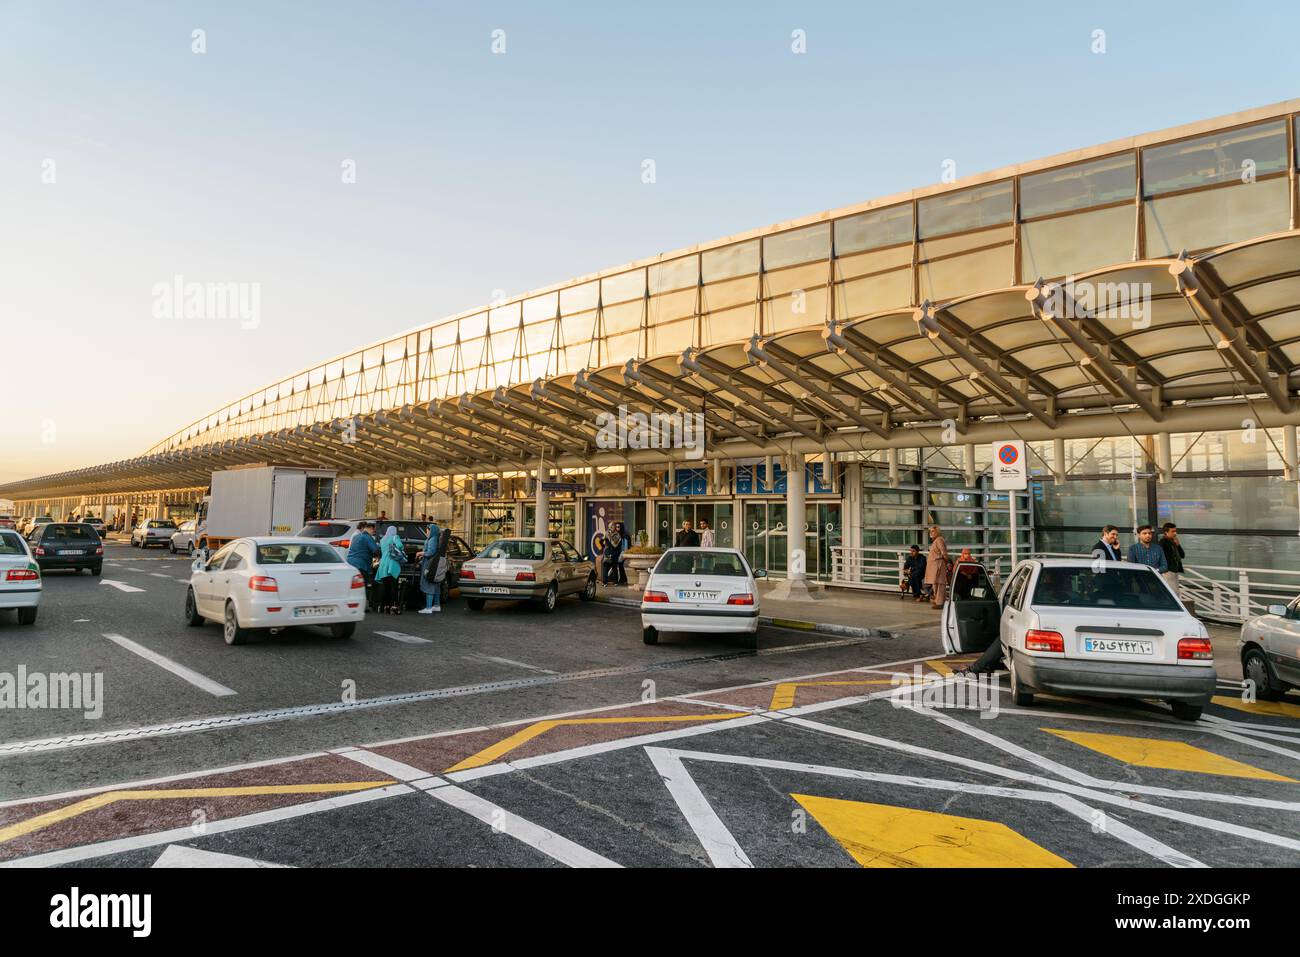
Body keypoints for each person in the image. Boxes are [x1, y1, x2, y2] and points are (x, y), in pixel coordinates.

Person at [346, 521, 381, 608]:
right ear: (370, 529)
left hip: (350, 563)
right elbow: (376, 550)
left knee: (353, 585)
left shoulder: (357, 536)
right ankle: (363, 606)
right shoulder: (367, 537)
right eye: (374, 531)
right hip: (361, 564)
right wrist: (379, 557)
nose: (374, 532)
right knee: (363, 585)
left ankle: (351, 603)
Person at [416, 522, 447, 614]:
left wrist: (420, 553)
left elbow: (430, 552)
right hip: (435, 565)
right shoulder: (436, 538)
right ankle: (436, 605)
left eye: (427, 530)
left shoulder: (432, 539)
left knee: (428, 585)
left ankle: (429, 607)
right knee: (436, 586)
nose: (426, 532)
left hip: (430, 566)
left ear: (432, 531)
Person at [375, 525, 406, 614]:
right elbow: (400, 546)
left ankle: (386, 607)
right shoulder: (395, 537)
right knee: (394, 588)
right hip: (392, 565)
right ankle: (393, 607)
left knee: (385, 588)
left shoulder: (383, 540)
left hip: (383, 566)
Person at [923, 524, 950, 609]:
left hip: (939, 565)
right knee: (936, 583)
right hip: (935, 566)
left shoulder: (939, 540)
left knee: (940, 583)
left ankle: (940, 602)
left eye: (933, 531)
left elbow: (944, 553)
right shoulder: (936, 540)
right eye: (930, 531)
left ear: (937, 532)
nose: (931, 533)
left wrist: (947, 563)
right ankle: (938, 601)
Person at [1159, 522, 1185, 597]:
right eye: (1172, 531)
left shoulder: (1173, 542)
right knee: (1174, 592)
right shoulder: (1163, 543)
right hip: (1168, 571)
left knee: (1176, 591)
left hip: (1174, 570)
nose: (1175, 533)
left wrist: (1178, 545)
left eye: (1175, 531)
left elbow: (1182, 555)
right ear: (1166, 532)